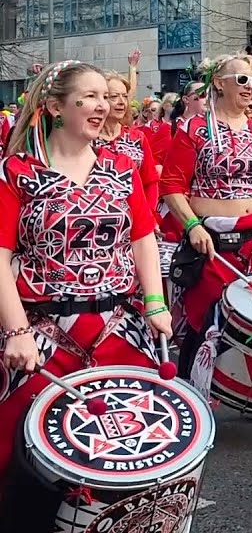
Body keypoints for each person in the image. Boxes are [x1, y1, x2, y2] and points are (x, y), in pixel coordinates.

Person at [0, 61, 172, 527]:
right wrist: (15, 331)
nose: (105, 106)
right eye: (90, 97)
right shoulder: (16, 172)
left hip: (119, 329)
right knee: (20, 453)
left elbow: (142, 239)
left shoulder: (122, 165)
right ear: (55, 106)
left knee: (139, 451)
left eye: (107, 96)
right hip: (43, 334)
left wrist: (155, 304)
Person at [158, 53, 252, 383]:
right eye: (242, 80)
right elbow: (172, 185)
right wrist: (191, 225)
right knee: (204, 320)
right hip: (214, 242)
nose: (250, 88)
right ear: (219, 83)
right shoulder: (195, 129)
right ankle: (193, 394)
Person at [98, 70, 161, 212]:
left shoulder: (137, 138)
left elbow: (150, 181)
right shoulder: (87, 139)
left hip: (137, 217)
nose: (121, 102)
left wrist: (149, 214)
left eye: (125, 96)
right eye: (114, 97)